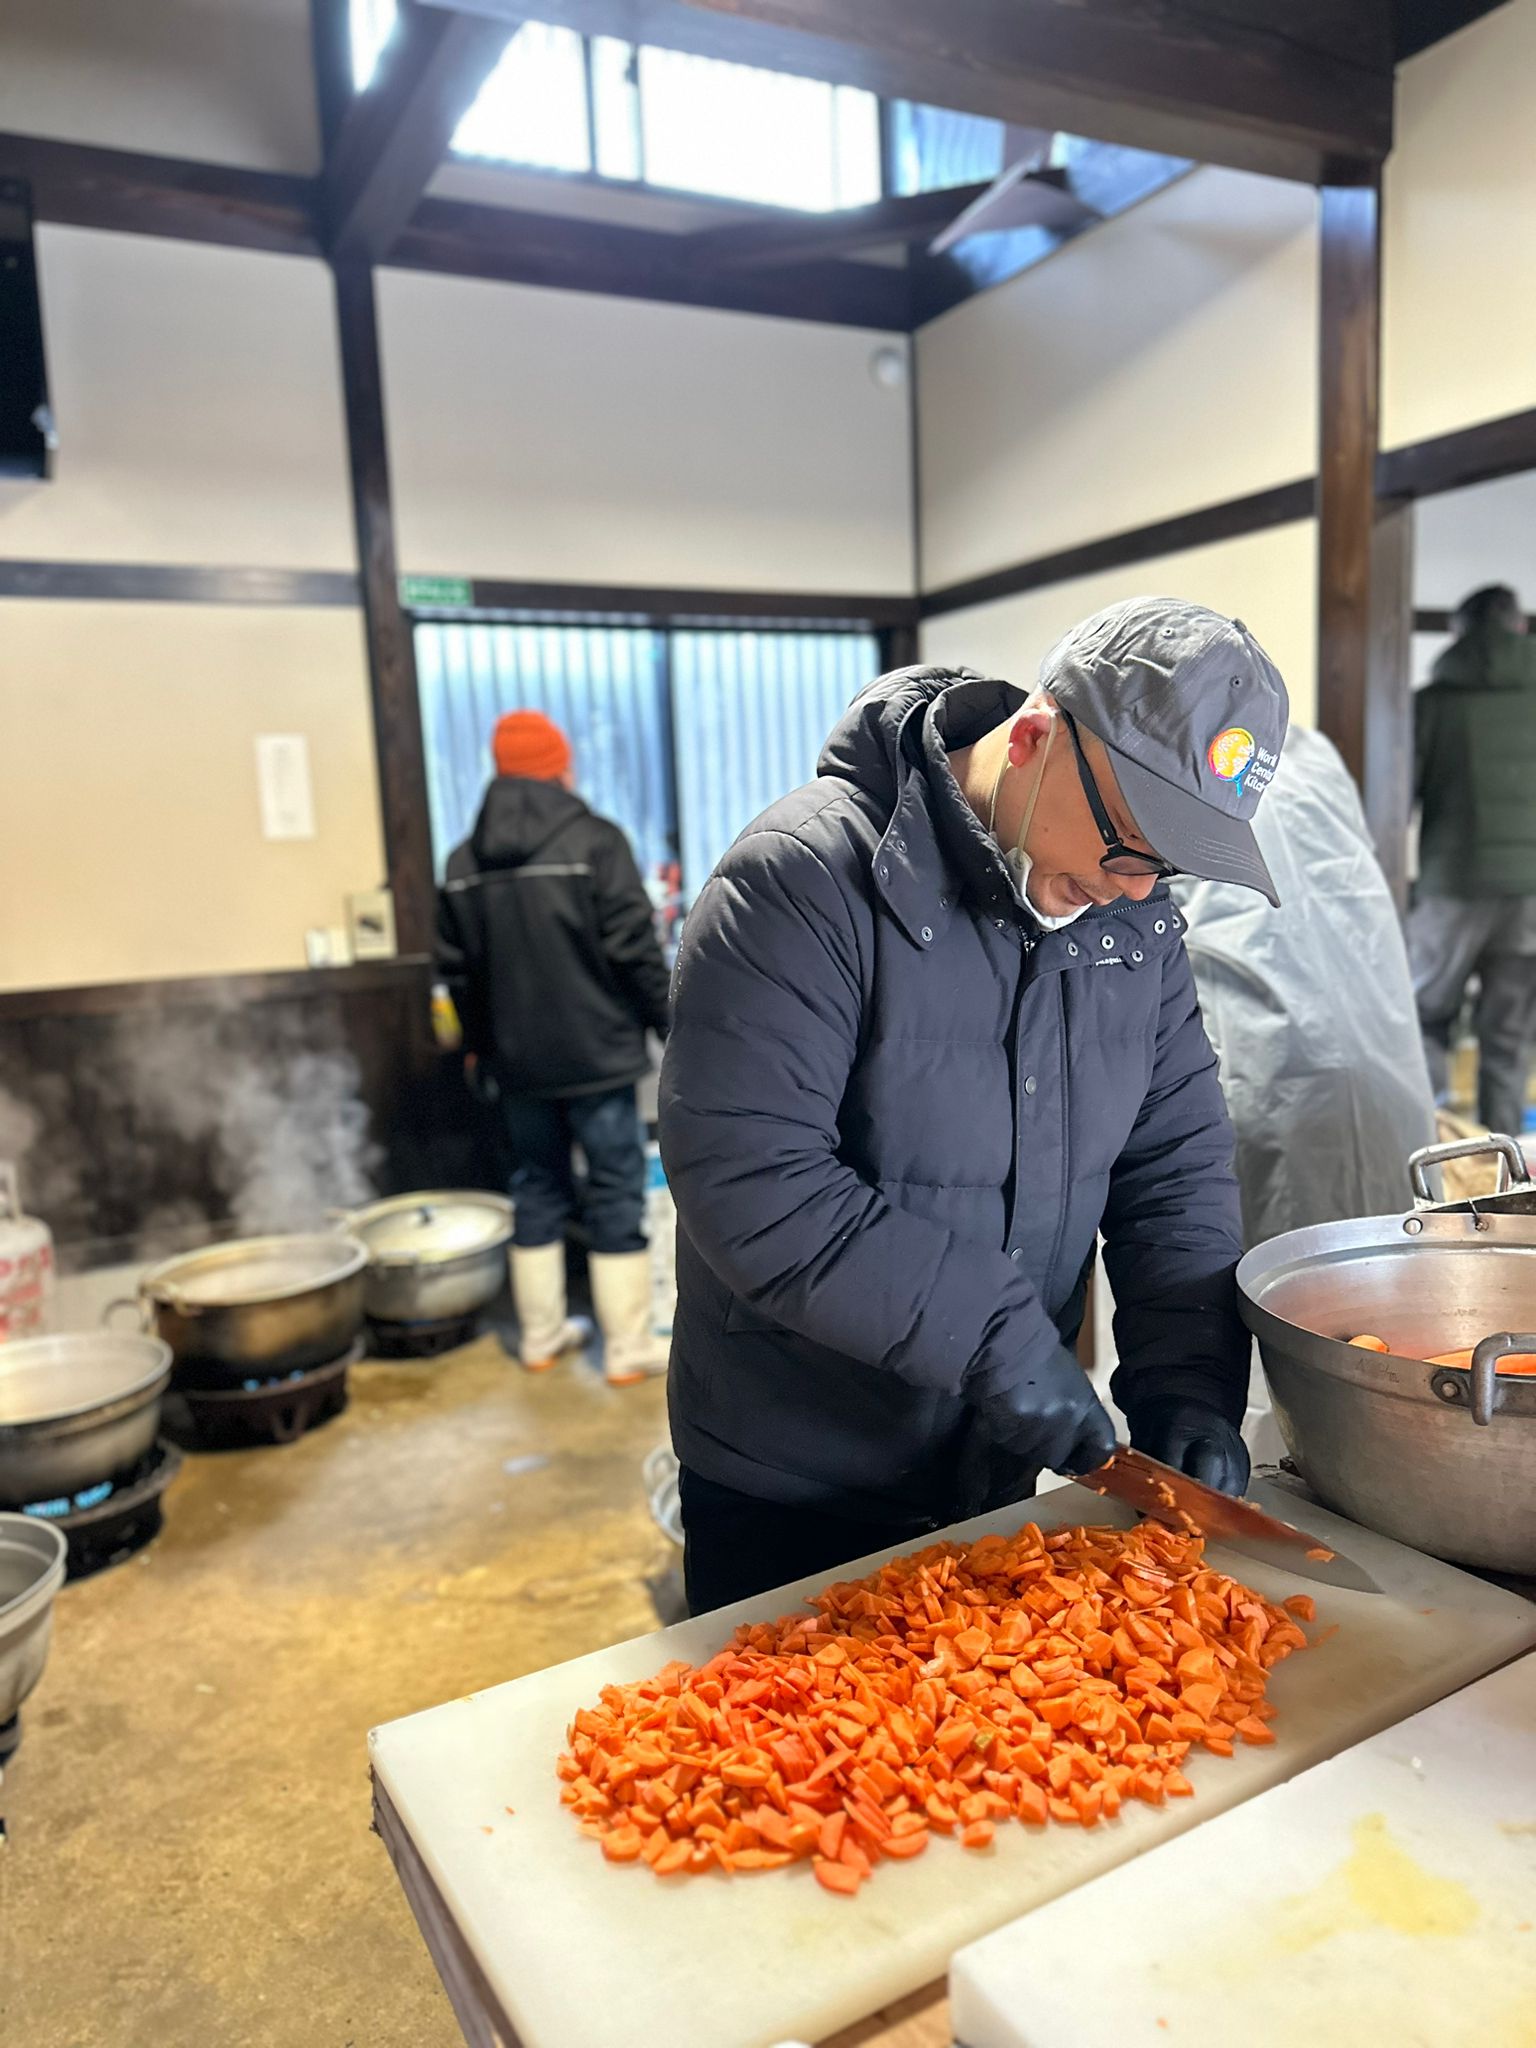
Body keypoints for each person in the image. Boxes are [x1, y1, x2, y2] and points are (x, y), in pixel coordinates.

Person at [660, 597, 1289, 1614]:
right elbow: (755, 1183)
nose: (1136, 890)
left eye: (1166, 865)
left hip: (992, 1465)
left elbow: (1171, 1163)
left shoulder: (1135, 929)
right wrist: (998, 1338)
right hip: (799, 1473)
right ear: (1037, 736)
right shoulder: (802, 879)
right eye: (1130, 843)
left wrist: (1191, 1384)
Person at [436, 710, 671, 1386]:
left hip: (515, 1064)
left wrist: (482, 1049)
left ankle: (540, 1337)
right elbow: (635, 949)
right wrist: (669, 1024)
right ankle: (625, 1348)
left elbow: (461, 977)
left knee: (534, 1186)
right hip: (596, 1055)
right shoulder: (596, 843)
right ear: (559, 767)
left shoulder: (461, 862)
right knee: (615, 1186)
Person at [1174, 724, 1436, 1248]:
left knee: (1290, 1291)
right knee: (1394, 1283)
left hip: (1272, 1078)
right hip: (1380, 1061)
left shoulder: (1164, 776)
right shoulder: (1304, 752)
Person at [1410, 583, 1536, 1139]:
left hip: (1451, 884)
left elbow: (1398, 798)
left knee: (1428, 1018)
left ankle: (1431, 1150)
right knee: (1509, 1034)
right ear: (1520, 627)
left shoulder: (1433, 702)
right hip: (1530, 893)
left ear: (1458, 633)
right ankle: (1506, 1168)